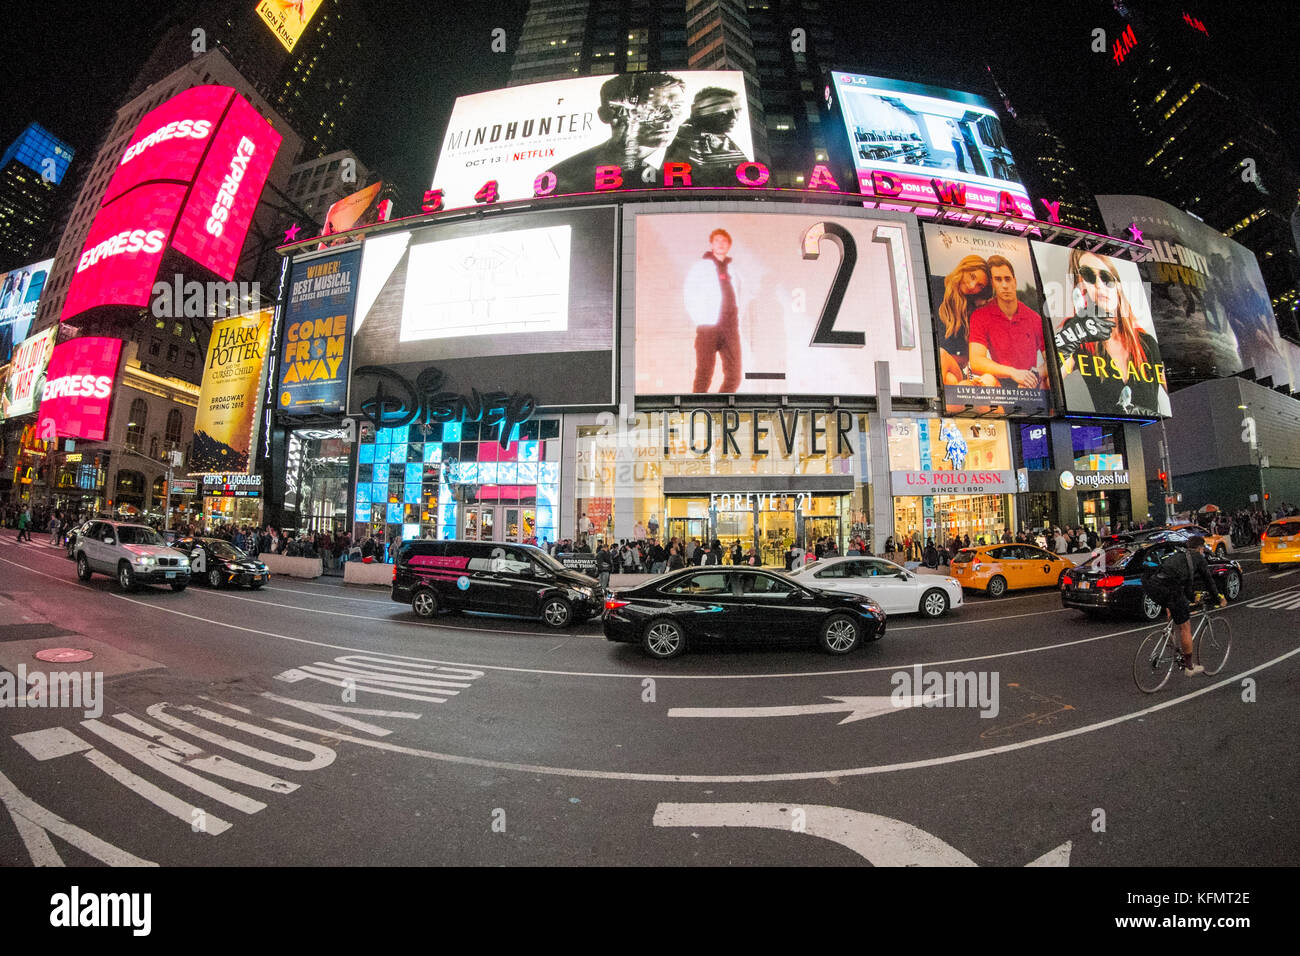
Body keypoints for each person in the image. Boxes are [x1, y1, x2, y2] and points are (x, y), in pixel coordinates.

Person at [1054, 249, 1166, 417]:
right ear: (1082, 286)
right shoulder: (1080, 341)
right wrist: (1068, 340)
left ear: (1118, 286)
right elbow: (1045, 384)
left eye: (1106, 278)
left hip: (1151, 435)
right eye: (1089, 276)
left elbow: (1181, 399)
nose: (1099, 286)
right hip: (1107, 438)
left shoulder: (1147, 343)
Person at [542, 72, 687, 194]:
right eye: (654, 107)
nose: (670, 116)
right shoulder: (561, 177)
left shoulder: (702, 170)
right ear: (607, 114)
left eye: (677, 106)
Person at [1141, 535, 1226, 676]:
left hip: (1154, 586)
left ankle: (1171, 643)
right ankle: (1189, 667)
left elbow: (1184, 584)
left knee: (1173, 609)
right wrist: (1218, 598)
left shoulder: (1179, 555)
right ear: (1200, 548)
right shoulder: (1198, 558)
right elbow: (1208, 580)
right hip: (1170, 589)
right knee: (1185, 627)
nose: (1203, 552)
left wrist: (1192, 596)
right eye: (1203, 549)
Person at [967, 255, 1048, 392]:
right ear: (992, 284)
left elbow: (1051, 361)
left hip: (1030, 384)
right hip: (1000, 385)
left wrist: (1034, 375)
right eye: (998, 280)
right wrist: (1013, 372)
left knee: (1050, 381)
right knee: (987, 380)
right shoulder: (981, 315)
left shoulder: (1034, 318)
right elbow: (976, 361)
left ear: (1015, 281)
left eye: (1008, 279)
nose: (1005, 285)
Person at [685, 228, 745, 393]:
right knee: (704, 373)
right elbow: (689, 293)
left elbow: (739, 294)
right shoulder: (701, 267)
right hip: (708, 327)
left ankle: (719, 410)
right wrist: (701, 319)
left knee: (734, 374)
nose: (721, 244)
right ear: (711, 244)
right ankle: (698, 412)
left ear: (729, 245)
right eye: (717, 240)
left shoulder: (733, 270)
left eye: (724, 241)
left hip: (730, 327)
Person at [663, 87, 749, 186]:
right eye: (724, 110)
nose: (734, 116)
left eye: (737, 110)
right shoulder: (673, 138)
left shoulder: (725, 141)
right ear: (696, 110)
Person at [936, 255, 993, 386]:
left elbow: (965, 359)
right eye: (972, 276)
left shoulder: (970, 309)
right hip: (930, 366)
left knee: (941, 355)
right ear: (963, 268)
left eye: (980, 285)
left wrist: (946, 357)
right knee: (950, 380)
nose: (972, 286)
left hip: (952, 365)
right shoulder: (934, 285)